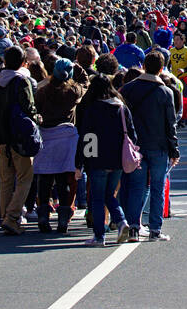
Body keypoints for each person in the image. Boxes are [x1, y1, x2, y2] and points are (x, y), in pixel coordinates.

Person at [119, 52, 179, 241]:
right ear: (161, 69)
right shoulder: (165, 92)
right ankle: (155, 228)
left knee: (137, 186)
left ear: (143, 66)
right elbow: (171, 123)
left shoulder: (128, 89)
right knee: (157, 186)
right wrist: (174, 148)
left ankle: (134, 227)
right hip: (159, 144)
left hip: (135, 145)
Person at [75, 73, 134, 246]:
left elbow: (86, 137)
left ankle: (99, 236)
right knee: (109, 194)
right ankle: (121, 221)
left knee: (98, 197)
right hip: (118, 158)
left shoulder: (92, 109)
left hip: (96, 158)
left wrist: (80, 162)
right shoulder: (121, 108)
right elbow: (132, 134)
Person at [0, 46, 41, 235]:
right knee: (24, 177)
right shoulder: (22, 81)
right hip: (19, 135)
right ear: (22, 62)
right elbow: (29, 106)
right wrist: (36, 117)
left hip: (1, 136)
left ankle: (5, 216)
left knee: (6, 179)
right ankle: (12, 216)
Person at [34, 57, 83, 234]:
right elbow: (84, 83)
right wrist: (79, 70)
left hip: (46, 134)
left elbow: (36, 109)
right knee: (64, 179)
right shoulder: (74, 91)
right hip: (67, 136)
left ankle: (43, 216)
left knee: (45, 178)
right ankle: (63, 218)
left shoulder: (43, 91)